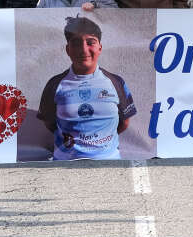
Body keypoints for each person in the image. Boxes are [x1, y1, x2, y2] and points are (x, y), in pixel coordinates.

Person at [36, 16, 136, 161]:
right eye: (76, 43)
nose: (83, 49)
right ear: (67, 49)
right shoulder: (54, 84)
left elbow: (124, 123)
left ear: (100, 48)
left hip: (108, 163)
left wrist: (101, 146)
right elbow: (50, 123)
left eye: (90, 42)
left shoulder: (116, 82)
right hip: (66, 164)